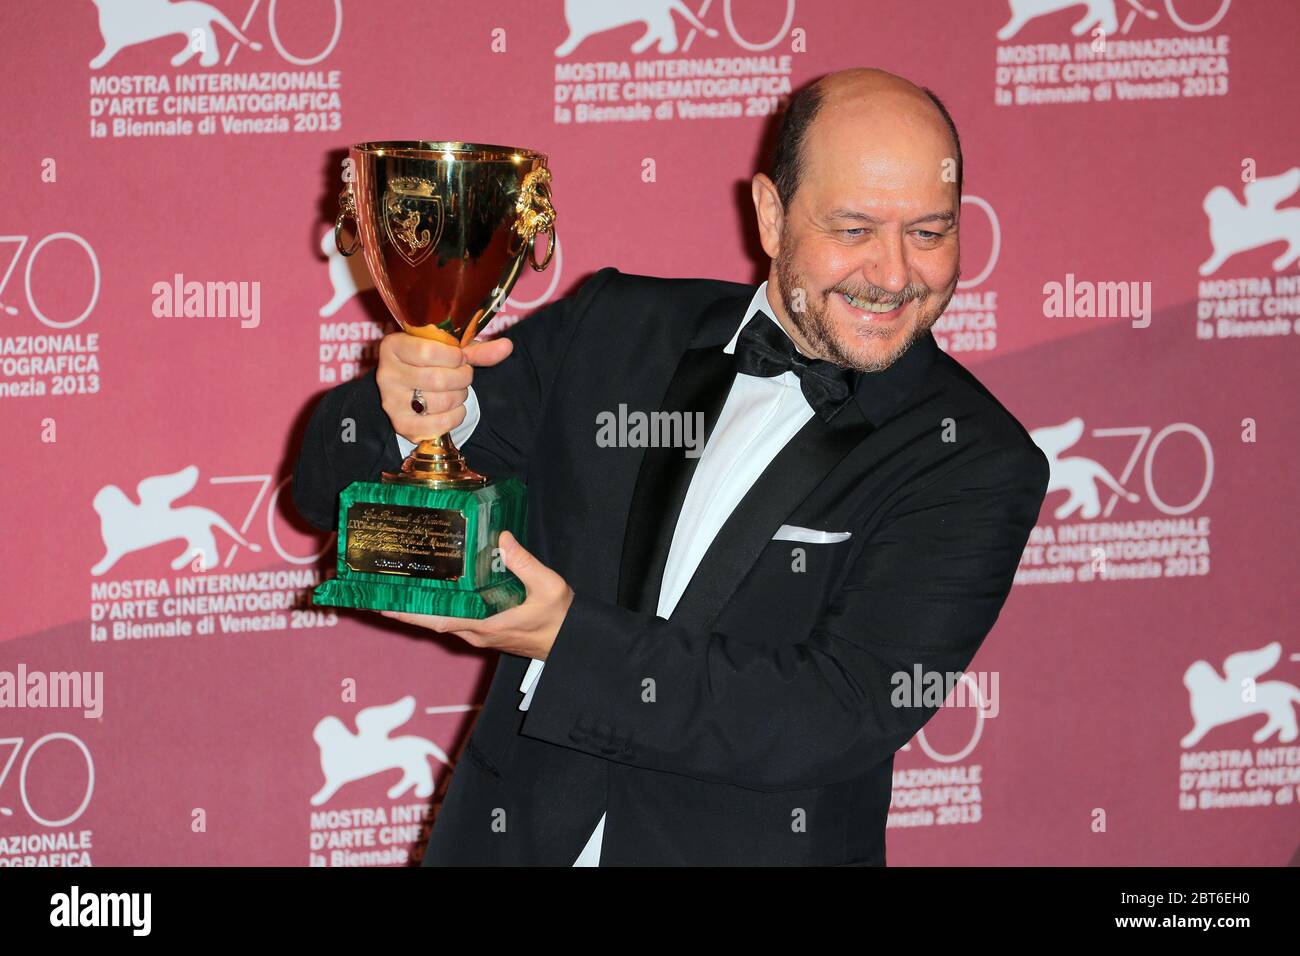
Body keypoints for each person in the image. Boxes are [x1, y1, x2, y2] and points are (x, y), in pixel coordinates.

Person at [292, 68, 1050, 866]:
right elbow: (327, 493)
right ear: (770, 213)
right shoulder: (614, 329)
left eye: (928, 233)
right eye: (854, 229)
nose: (895, 275)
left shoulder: (974, 460)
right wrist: (409, 404)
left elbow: (835, 713)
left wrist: (564, 636)